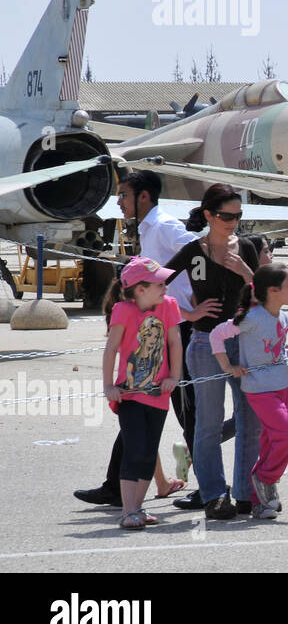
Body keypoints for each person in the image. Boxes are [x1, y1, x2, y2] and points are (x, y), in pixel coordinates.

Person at [75, 170, 203, 511]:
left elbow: (197, 249)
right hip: (157, 332)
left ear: (143, 196)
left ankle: (208, 487)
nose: (118, 201)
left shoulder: (162, 225)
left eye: (123, 194)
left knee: (186, 411)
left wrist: (187, 302)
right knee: (137, 405)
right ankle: (117, 486)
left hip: (178, 330)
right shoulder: (147, 227)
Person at [163, 184, 261, 520]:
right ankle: (214, 495)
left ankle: (247, 493)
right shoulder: (193, 250)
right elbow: (153, 286)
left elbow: (267, 293)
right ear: (208, 215)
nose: (232, 222)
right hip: (205, 343)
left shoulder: (246, 247)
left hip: (244, 342)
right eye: (225, 216)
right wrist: (188, 314)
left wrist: (245, 272)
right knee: (207, 422)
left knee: (251, 420)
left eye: (238, 215)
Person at [209, 264, 288, 518]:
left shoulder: (283, 318)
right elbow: (216, 335)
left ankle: (259, 503)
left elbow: (272, 351)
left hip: (283, 388)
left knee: (270, 442)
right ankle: (265, 478)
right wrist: (227, 366)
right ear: (273, 291)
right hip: (260, 391)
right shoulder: (252, 318)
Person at [101, 257, 183, 529]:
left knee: (149, 451)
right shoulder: (123, 310)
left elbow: (174, 342)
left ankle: (137, 507)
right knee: (134, 450)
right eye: (159, 283)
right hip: (130, 395)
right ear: (140, 289)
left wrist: (175, 376)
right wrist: (109, 385)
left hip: (159, 394)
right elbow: (111, 348)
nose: (165, 287)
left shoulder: (169, 306)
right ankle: (127, 510)